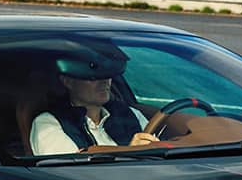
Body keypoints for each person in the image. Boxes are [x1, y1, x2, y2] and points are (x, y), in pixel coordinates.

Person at [27, 49, 160, 156]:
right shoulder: (49, 123)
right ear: (68, 81)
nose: (105, 81)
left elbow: (156, 152)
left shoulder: (130, 114)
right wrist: (129, 153)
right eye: (93, 76)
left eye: (107, 74)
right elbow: (72, 175)